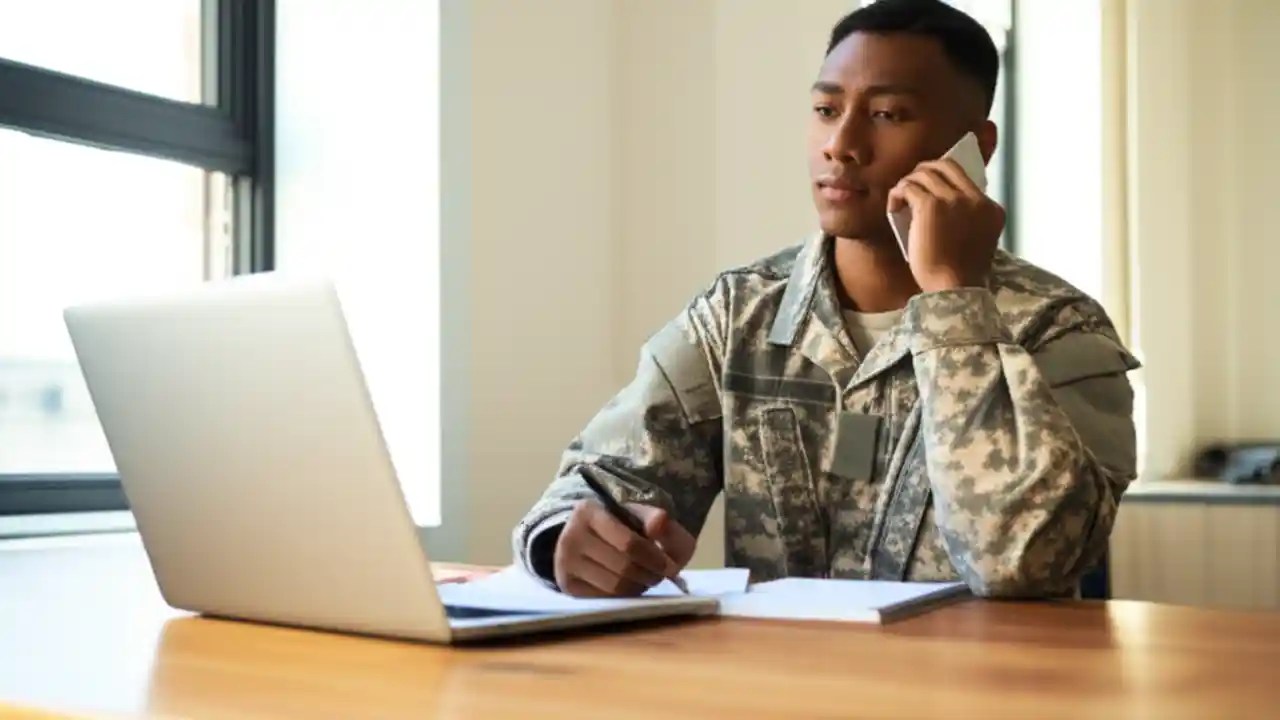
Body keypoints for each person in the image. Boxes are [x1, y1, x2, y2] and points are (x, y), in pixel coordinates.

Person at [512, 0, 1140, 599]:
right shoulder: (739, 315)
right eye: (825, 109)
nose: (841, 143)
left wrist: (954, 298)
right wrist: (567, 542)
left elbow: (1022, 562)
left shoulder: (1056, 330)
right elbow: (601, 483)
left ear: (976, 147)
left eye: (889, 114)